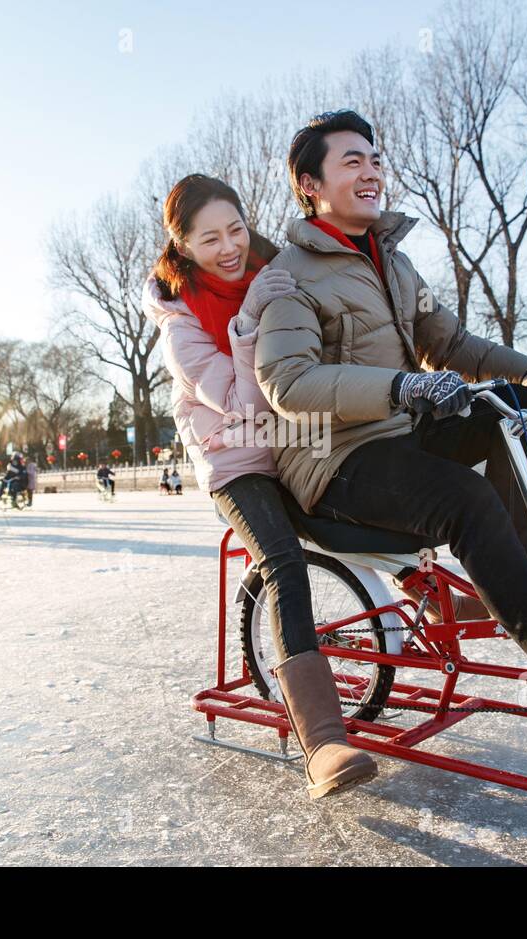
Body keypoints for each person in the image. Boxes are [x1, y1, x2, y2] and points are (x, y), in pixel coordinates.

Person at [252, 110, 527, 764]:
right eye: (351, 161)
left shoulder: (394, 261)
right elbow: (287, 381)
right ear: (310, 185)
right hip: (334, 460)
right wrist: (399, 388)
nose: (372, 170)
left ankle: (509, 575)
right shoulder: (293, 275)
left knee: (517, 412)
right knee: (465, 498)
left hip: (401, 433)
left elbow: (451, 344)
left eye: (375, 159)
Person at [141, 172, 376, 798]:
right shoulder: (181, 325)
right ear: (183, 246)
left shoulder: (277, 270)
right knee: (283, 561)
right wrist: (248, 322)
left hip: (297, 444)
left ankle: (432, 590)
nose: (228, 248)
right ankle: (323, 740)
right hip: (237, 462)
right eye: (209, 238)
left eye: (236, 230)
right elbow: (247, 404)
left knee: (365, 500)